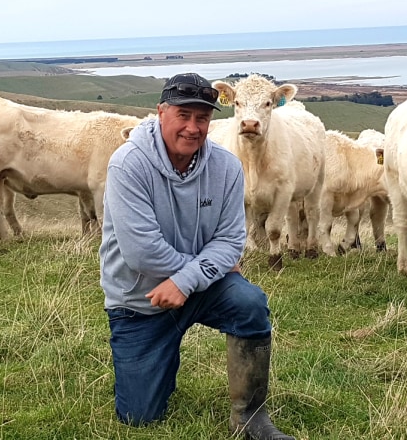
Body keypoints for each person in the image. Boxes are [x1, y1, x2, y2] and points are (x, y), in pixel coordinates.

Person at [100, 73, 294, 440]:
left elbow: (231, 240)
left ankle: (251, 417)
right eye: (183, 115)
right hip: (141, 299)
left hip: (199, 286)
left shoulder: (226, 166)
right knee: (140, 417)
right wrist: (212, 265)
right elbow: (142, 252)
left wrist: (189, 278)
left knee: (249, 302)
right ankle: (160, 357)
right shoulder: (128, 164)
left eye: (202, 118)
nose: (193, 127)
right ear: (161, 112)